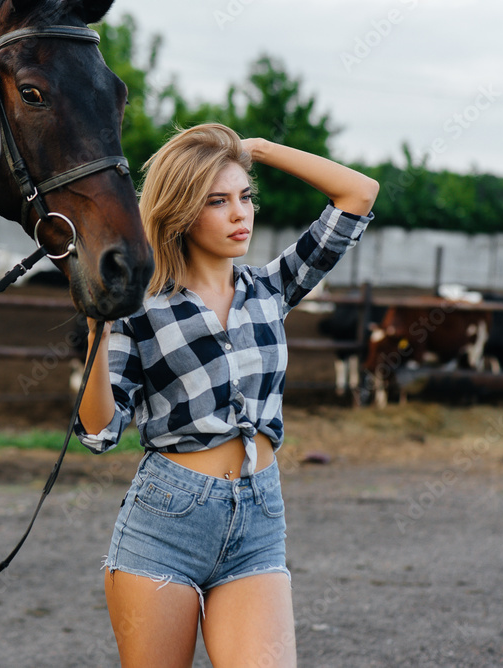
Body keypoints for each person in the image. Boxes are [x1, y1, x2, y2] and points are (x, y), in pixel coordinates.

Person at [74, 123, 378, 667]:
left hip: (259, 516)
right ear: (183, 211)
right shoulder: (139, 309)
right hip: (167, 521)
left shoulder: (272, 287)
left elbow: (358, 193)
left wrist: (253, 150)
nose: (241, 214)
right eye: (218, 201)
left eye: (245, 197)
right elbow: (99, 432)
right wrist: (97, 333)